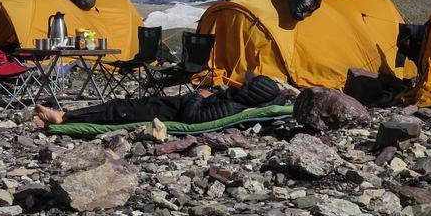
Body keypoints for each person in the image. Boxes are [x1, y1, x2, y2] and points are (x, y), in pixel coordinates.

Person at [32, 73, 289, 128]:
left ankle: (62, 118)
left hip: (167, 115)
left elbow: (193, 118)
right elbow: (278, 97)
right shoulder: (238, 99)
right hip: (167, 106)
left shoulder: (232, 106)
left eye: (246, 85)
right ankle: (60, 117)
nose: (240, 84)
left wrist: (198, 95)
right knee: (119, 106)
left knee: (116, 110)